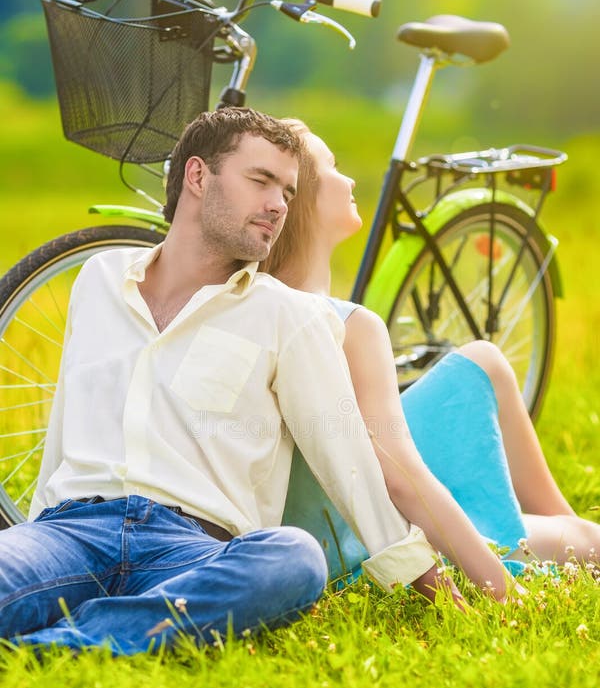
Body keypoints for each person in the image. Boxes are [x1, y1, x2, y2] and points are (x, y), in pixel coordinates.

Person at [0, 108, 468, 657]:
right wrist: (29, 541)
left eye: (288, 193)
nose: (278, 205)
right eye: (261, 181)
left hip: (196, 550)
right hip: (72, 530)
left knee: (293, 560)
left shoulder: (287, 316)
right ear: (198, 177)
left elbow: (352, 465)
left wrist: (432, 583)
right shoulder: (99, 278)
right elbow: (65, 426)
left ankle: (60, 645)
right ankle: (97, 627)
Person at [265, 123, 600, 587]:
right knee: (583, 539)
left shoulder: (256, 304)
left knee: (484, 361)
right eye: (333, 168)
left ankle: (559, 527)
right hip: (355, 540)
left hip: (319, 520)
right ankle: (571, 542)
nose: (349, 181)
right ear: (302, 201)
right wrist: (504, 589)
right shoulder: (348, 325)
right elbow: (400, 478)